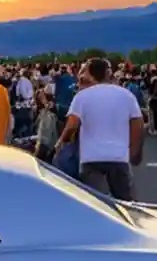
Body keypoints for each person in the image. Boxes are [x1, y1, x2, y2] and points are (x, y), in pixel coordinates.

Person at [55, 58, 144, 200]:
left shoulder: (82, 96)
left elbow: (72, 126)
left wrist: (62, 142)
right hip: (118, 156)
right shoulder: (126, 95)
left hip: (91, 158)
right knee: (126, 201)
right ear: (107, 73)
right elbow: (138, 124)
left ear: (90, 74)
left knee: (94, 201)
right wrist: (135, 152)